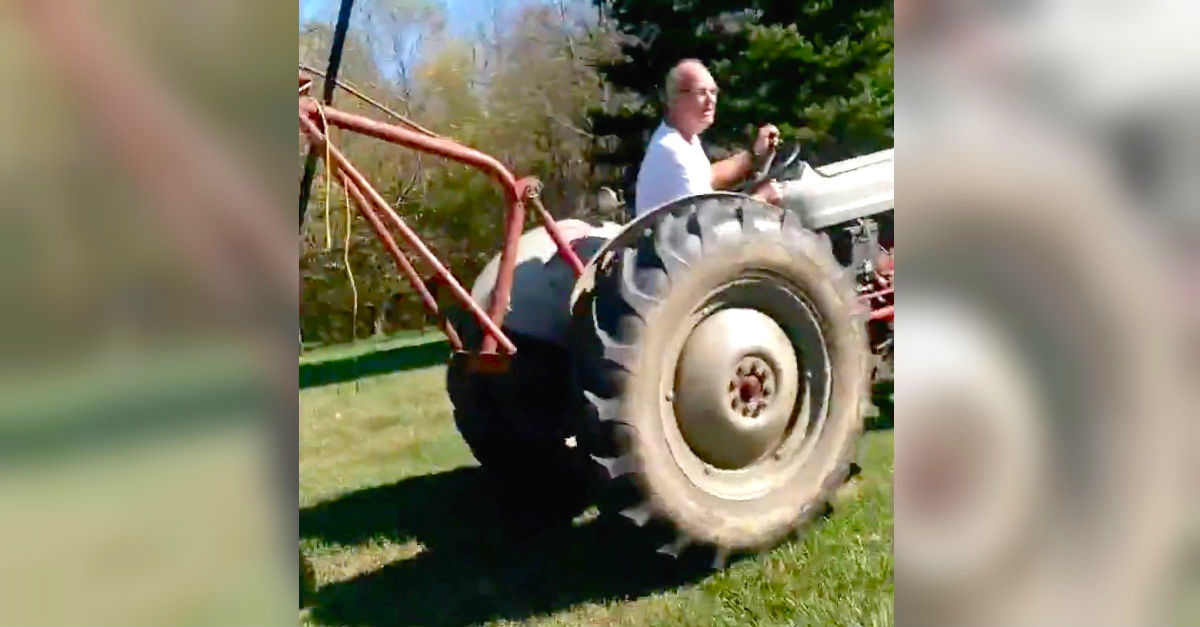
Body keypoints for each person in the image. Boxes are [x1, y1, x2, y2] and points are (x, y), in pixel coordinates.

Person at [633, 59, 782, 217]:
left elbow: (709, 176)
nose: (711, 100)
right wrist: (761, 199)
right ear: (676, 99)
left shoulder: (684, 140)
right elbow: (707, 223)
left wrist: (754, 155)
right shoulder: (671, 150)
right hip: (673, 240)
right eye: (701, 92)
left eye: (713, 92)